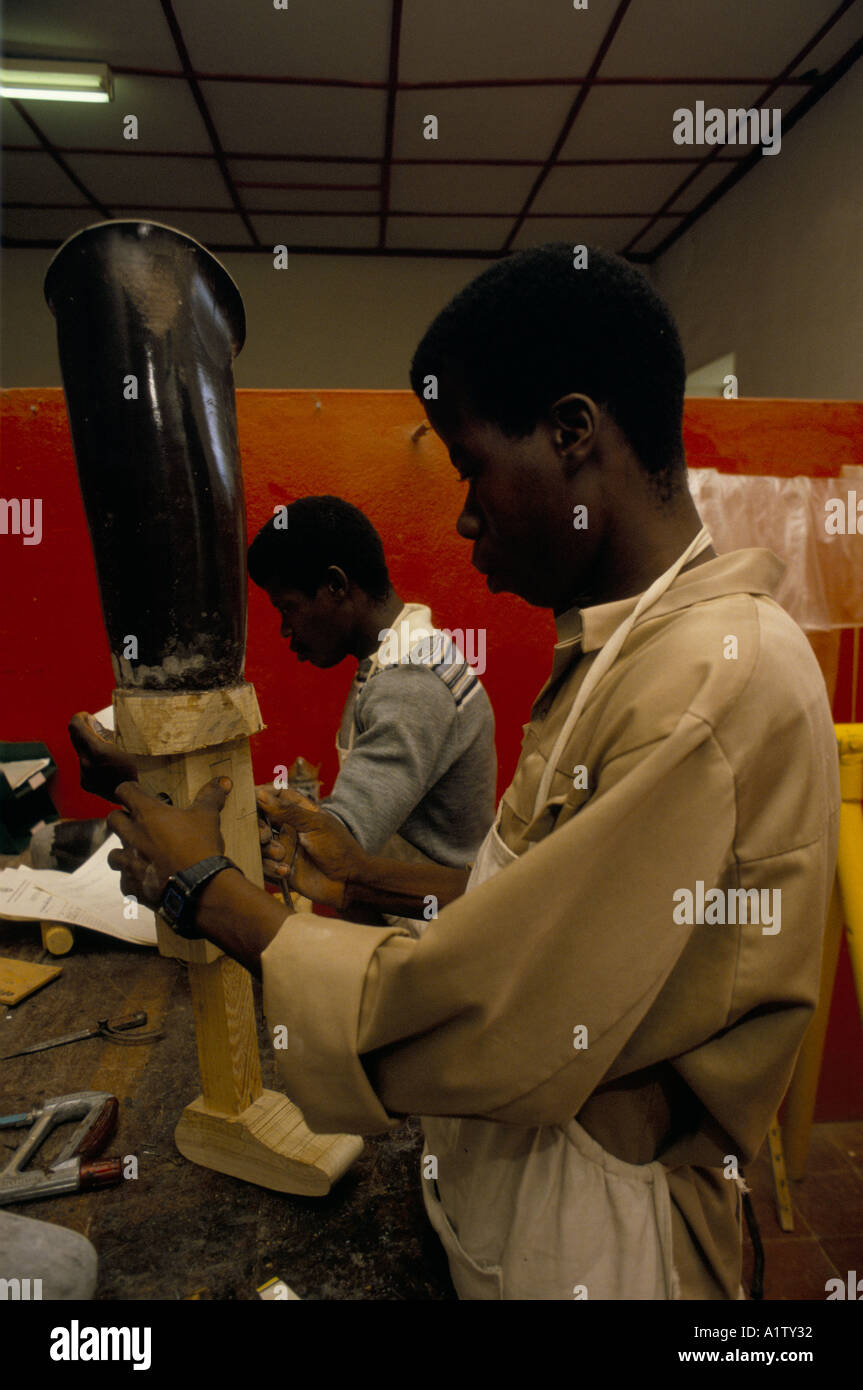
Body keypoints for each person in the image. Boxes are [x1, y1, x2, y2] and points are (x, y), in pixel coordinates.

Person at [99, 243, 840, 1301]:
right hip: (524, 1185)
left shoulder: (707, 680)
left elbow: (502, 1009)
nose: (459, 515)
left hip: (599, 1233)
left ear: (571, 433)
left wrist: (211, 896)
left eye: (468, 465)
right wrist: (349, 880)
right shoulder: (618, 648)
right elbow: (531, 906)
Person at [247, 495, 496, 931]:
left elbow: (340, 841)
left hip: (439, 937)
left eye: (288, 608)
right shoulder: (394, 656)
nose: (286, 630)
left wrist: (224, 814)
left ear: (336, 585)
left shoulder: (411, 683)